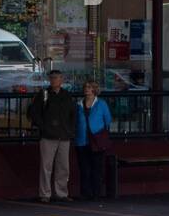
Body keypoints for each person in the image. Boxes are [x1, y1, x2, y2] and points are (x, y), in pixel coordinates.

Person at [28, 70, 77, 203]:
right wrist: (44, 127)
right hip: (48, 136)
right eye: (52, 78)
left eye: (57, 78)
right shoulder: (43, 95)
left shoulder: (67, 95)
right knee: (46, 166)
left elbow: (73, 113)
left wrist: (70, 130)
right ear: (50, 80)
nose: (55, 80)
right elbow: (34, 112)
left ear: (62, 80)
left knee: (63, 166)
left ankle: (61, 193)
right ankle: (45, 194)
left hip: (64, 135)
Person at [74, 79, 113, 201]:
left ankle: (97, 192)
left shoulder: (101, 104)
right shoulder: (79, 104)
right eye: (85, 87)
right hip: (82, 140)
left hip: (96, 139)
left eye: (89, 87)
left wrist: (100, 131)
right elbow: (75, 121)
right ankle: (86, 192)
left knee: (97, 167)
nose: (87, 89)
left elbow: (108, 120)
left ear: (94, 89)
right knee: (84, 168)